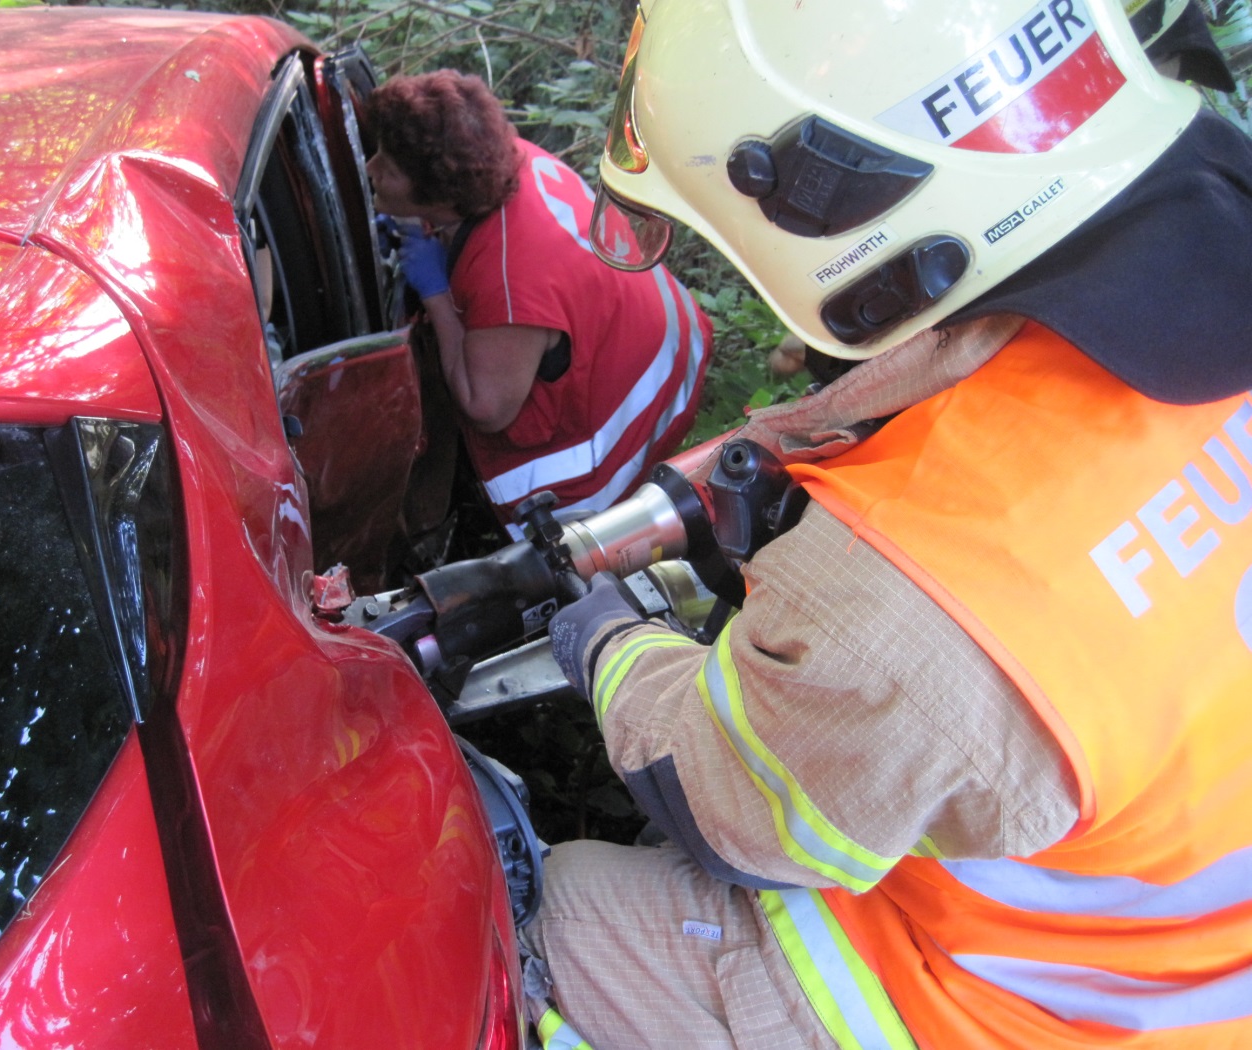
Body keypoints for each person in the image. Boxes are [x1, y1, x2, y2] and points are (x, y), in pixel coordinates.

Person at [529, 0, 1252, 1047]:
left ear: (830, 199)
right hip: (1192, 935)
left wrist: (605, 637)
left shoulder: (919, 583)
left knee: (570, 908)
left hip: (1065, 1014)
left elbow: (736, 807)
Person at [363, 71, 713, 535]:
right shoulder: (503, 161)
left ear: (439, 195)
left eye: (388, 168)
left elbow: (485, 407)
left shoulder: (509, 275)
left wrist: (436, 294)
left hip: (631, 411)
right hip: (660, 339)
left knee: (575, 562)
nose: (370, 169)